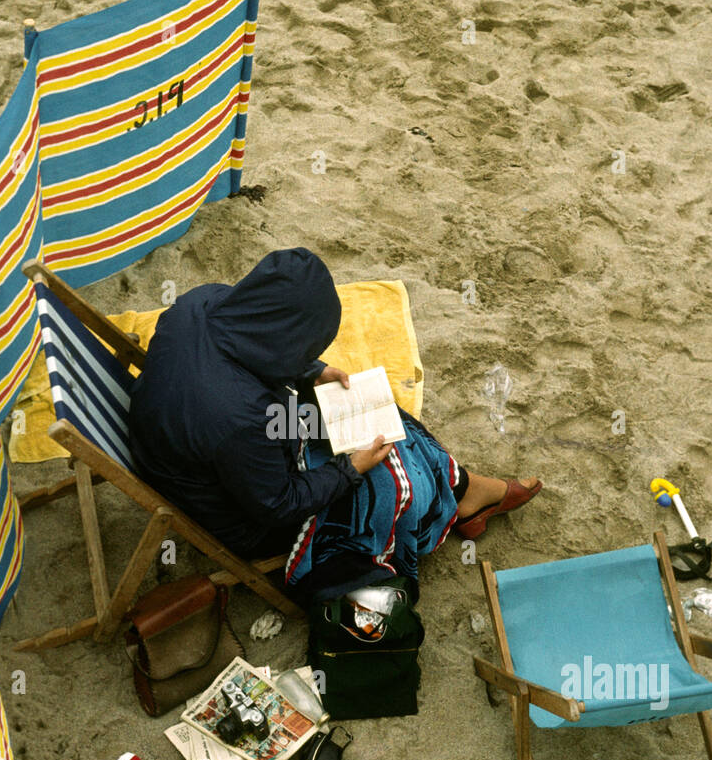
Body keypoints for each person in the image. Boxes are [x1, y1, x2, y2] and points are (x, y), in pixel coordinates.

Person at [128, 247, 541, 600]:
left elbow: (253, 334)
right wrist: (350, 469)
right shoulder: (241, 419)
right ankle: (462, 492)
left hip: (183, 444)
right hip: (234, 511)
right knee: (390, 481)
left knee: (372, 414)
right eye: (306, 345)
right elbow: (279, 505)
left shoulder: (198, 304)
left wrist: (311, 369)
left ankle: (465, 488)